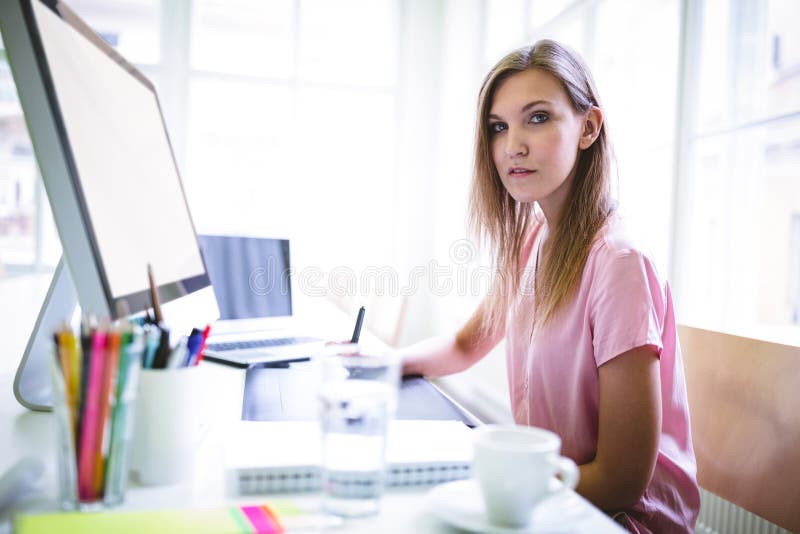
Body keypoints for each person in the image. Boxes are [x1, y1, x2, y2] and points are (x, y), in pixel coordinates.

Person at [400, 40, 700, 533]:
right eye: (499, 127)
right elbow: (465, 344)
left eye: (537, 118)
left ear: (589, 128)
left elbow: (622, 481)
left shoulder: (619, 262)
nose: (512, 145)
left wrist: (496, 485)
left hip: (616, 520)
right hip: (553, 500)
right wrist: (383, 363)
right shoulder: (533, 238)